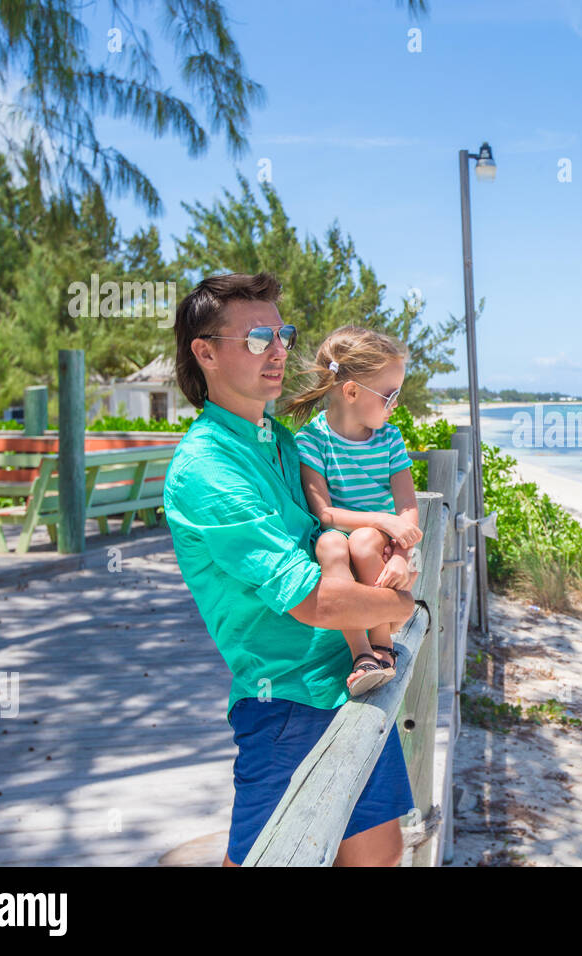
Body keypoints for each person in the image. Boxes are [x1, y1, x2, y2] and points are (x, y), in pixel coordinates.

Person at [161, 272, 416, 867]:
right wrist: (404, 606)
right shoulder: (207, 467)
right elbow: (317, 604)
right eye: (257, 338)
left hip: (352, 682)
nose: (279, 350)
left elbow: (341, 532)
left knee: (379, 856)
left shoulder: (277, 439)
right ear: (204, 352)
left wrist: (391, 550)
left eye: (284, 334)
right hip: (288, 703)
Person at [280, 326, 422, 698]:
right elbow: (324, 513)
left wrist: (403, 556)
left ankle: (381, 644)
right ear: (352, 392)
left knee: (360, 542)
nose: (396, 406)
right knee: (329, 544)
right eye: (390, 396)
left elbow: (407, 505)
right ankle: (361, 654)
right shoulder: (312, 440)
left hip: (378, 545)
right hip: (347, 529)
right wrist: (380, 518)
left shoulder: (390, 439)